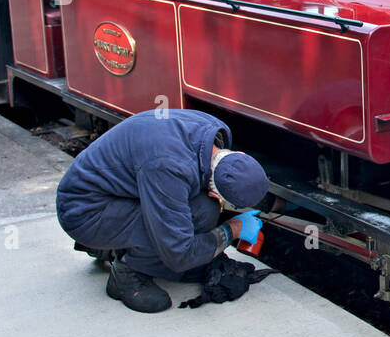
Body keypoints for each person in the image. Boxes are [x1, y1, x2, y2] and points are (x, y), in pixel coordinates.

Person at [56, 109, 269, 313]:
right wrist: (232, 229)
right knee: (199, 215)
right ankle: (127, 271)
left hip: (113, 195)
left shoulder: (212, 130)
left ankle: (113, 246)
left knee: (204, 208)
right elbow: (179, 252)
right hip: (84, 212)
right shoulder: (168, 169)